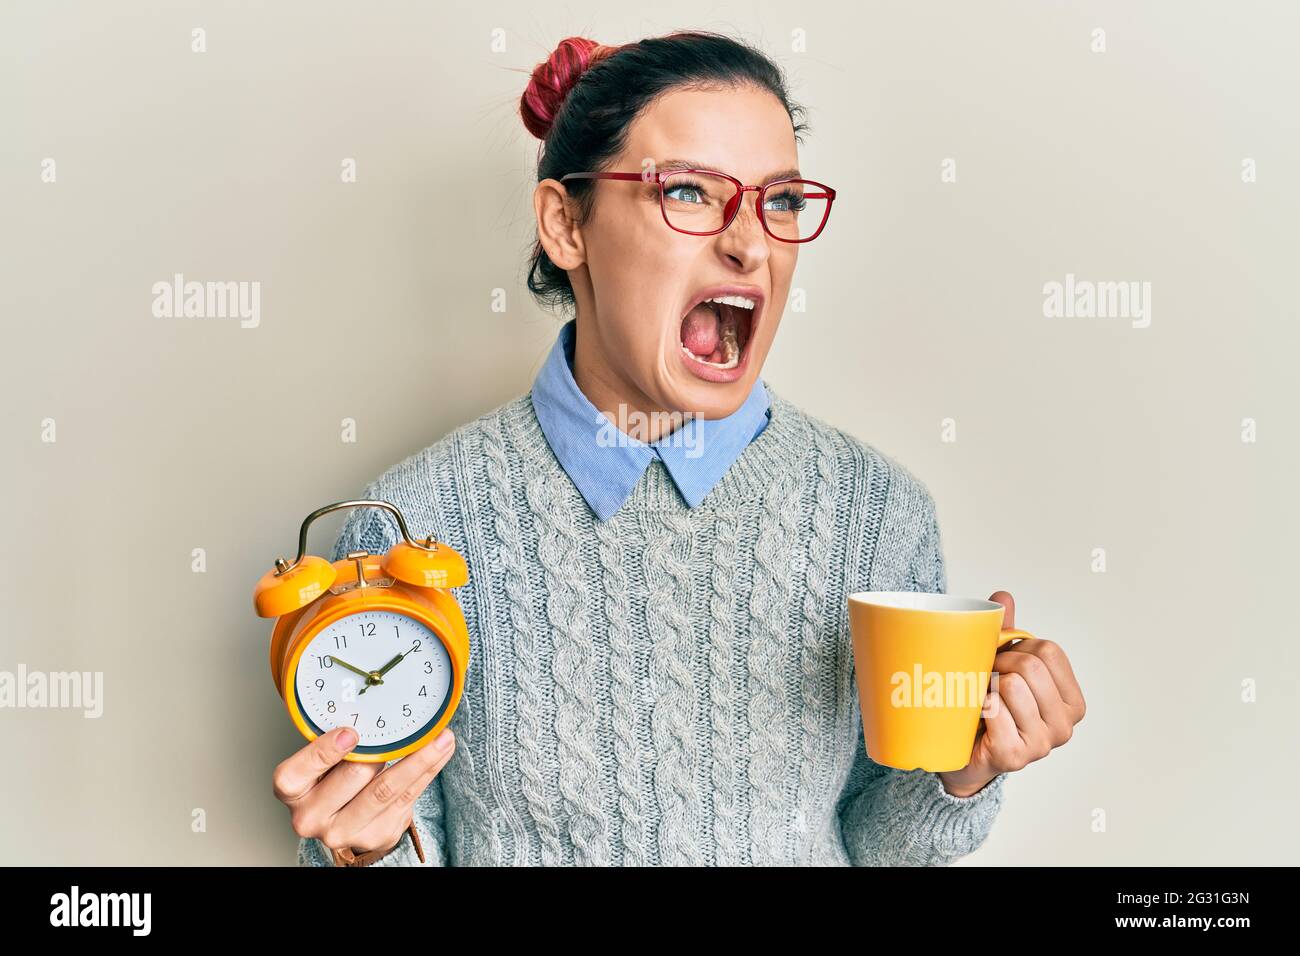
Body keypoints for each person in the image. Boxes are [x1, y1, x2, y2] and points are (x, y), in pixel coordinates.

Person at [273, 30, 1085, 867]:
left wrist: (965, 775)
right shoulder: (418, 525)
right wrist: (359, 854)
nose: (751, 242)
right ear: (565, 223)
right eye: (691, 192)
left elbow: (871, 845)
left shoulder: (877, 512)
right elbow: (393, 832)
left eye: (781, 201)